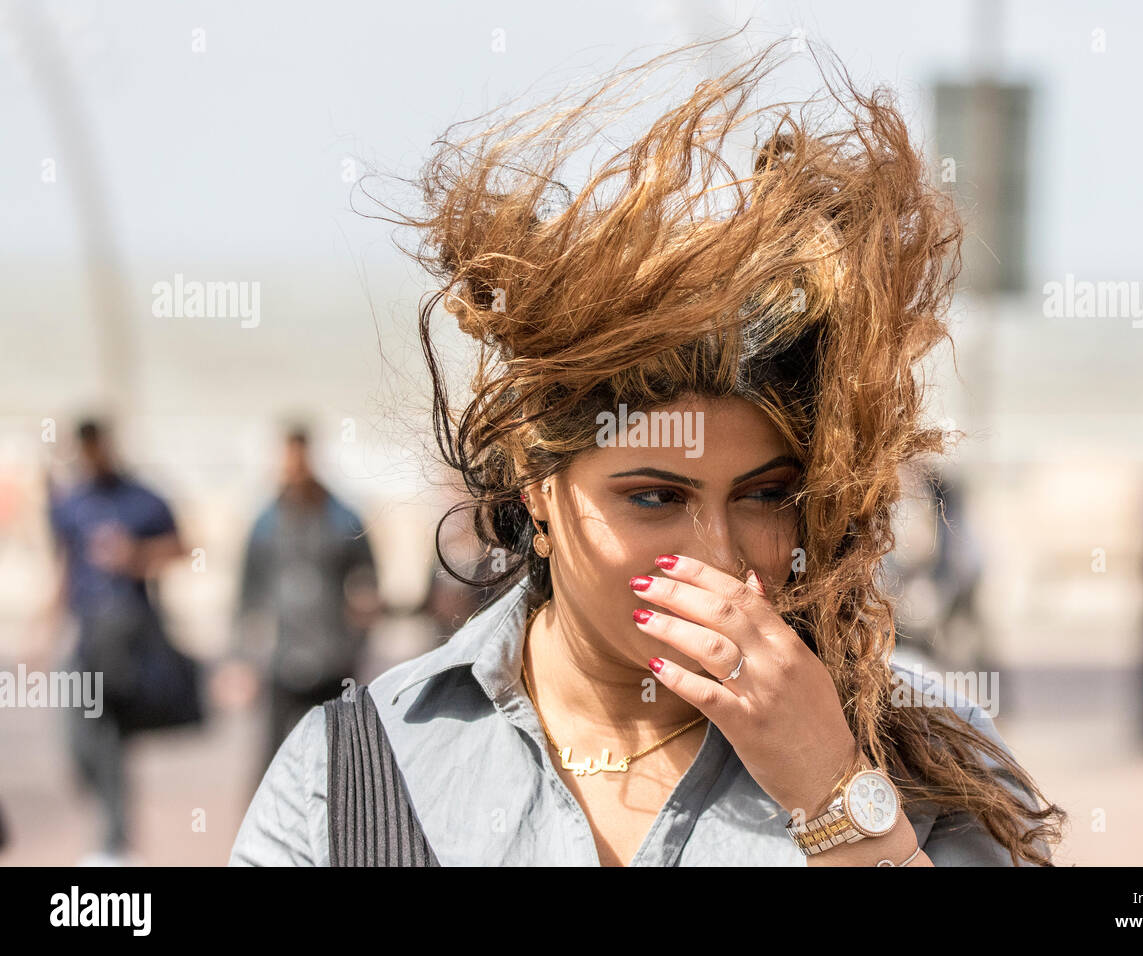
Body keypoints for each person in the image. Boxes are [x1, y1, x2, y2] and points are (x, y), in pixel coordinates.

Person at [231, 33, 1066, 866]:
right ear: (539, 487)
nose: (722, 561)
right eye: (656, 497)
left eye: (765, 495)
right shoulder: (349, 775)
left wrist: (835, 795)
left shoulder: (927, 755)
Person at [47, 418, 186, 864]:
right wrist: (43, 629)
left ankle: (114, 844)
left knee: (106, 735)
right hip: (83, 640)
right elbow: (63, 571)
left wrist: (137, 556)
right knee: (75, 741)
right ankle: (112, 835)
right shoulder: (71, 504)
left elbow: (182, 547)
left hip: (128, 641)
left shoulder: (142, 499)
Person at [231, 426, 381, 778]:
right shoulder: (265, 523)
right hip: (280, 659)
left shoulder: (343, 517)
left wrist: (359, 635)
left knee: (341, 757)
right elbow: (247, 593)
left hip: (333, 658)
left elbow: (369, 581)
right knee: (270, 761)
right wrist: (241, 658)